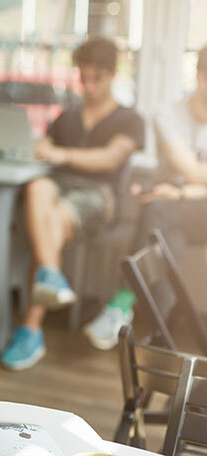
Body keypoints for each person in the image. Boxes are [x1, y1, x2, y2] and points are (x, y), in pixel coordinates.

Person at [0, 36, 145, 370]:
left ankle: (31, 328)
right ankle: (50, 275)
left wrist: (61, 153)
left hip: (98, 197)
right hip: (56, 188)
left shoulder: (130, 119)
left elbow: (110, 159)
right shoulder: (68, 116)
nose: (89, 86)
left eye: (97, 78)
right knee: (37, 187)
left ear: (112, 75)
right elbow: (42, 147)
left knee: (51, 217)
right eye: (85, 77)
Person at [84, 44, 207, 350]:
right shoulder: (168, 114)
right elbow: (188, 167)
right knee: (165, 238)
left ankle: (122, 304)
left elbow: (191, 176)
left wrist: (180, 192)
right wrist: (177, 192)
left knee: (161, 211)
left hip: (188, 206)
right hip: (175, 215)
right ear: (200, 75)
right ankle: (159, 339)